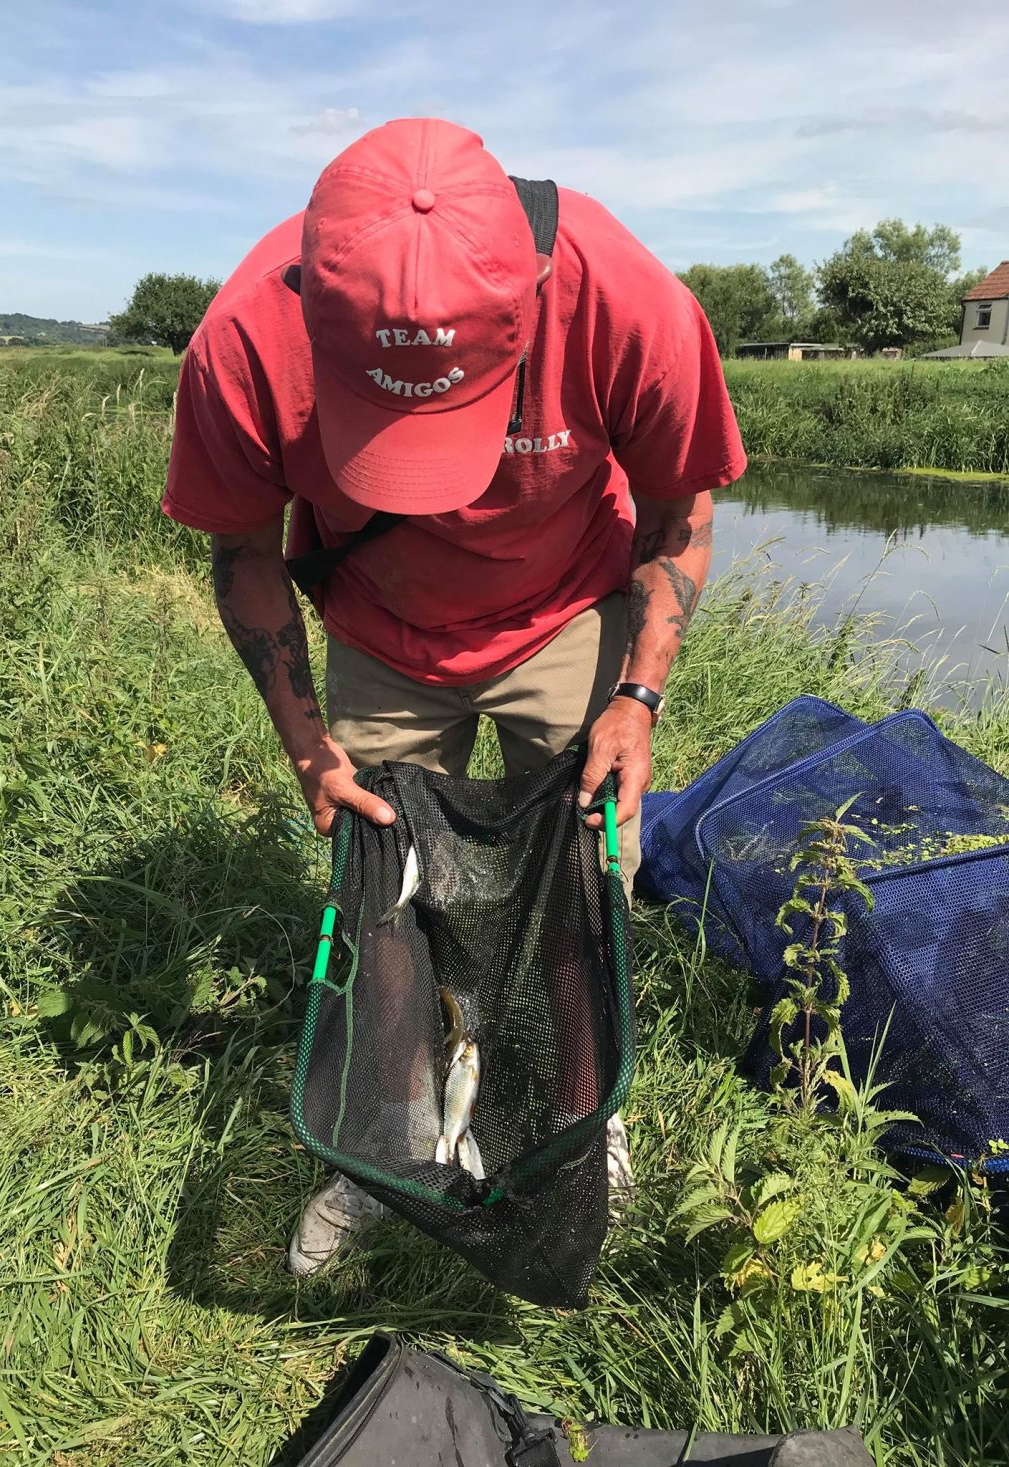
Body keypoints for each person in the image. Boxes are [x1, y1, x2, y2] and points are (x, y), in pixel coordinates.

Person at [162, 117, 747, 1276]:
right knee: (378, 891)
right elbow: (240, 551)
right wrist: (304, 748)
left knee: (580, 874)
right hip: (380, 625)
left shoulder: (628, 301)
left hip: (568, 609)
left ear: (525, 301)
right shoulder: (242, 340)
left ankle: (582, 1129)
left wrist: (636, 697)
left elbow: (681, 508)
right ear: (316, 314)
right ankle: (384, 1148)